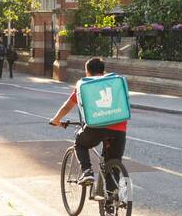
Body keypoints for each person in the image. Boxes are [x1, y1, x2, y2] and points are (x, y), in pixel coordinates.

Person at [49, 57, 128, 187]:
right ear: (103, 71)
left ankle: (87, 171)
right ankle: (112, 201)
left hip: (96, 126)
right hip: (120, 129)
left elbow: (67, 106)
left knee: (80, 143)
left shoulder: (85, 84)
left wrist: (56, 120)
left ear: (87, 72)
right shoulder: (114, 82)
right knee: (113, 164)